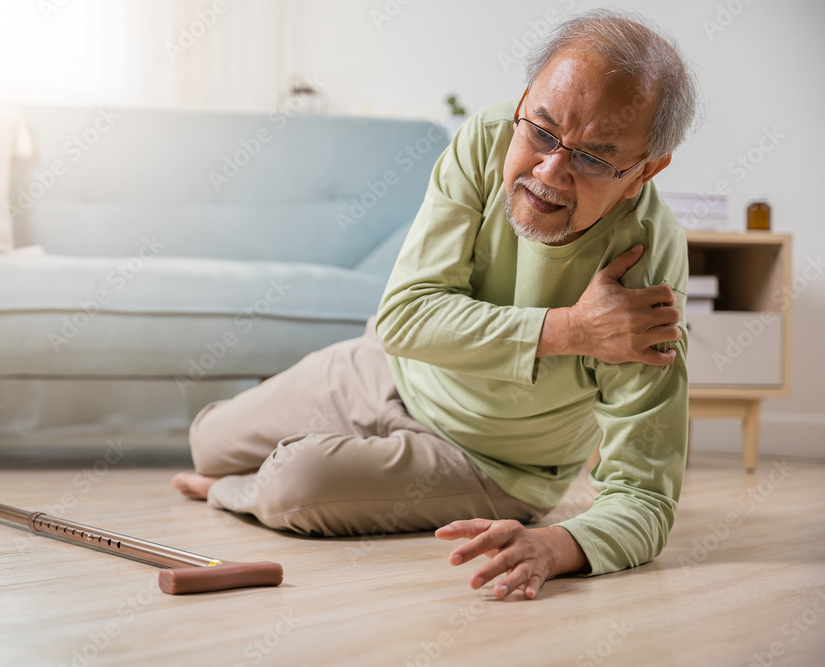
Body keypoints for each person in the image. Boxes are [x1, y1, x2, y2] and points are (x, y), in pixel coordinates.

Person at [172, 8, 699, 600]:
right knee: (208, 442)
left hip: (492, 463)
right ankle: (237, 475)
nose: (549, 171)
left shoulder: (645, 274)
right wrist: (568, 329)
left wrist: (557, 545)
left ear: (644, 173)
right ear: (525, 98)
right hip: (389, 368)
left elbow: (645, 497)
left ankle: (229, 490)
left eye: (594, 157)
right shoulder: (487, 138)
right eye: (543, 131)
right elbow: (404, 318)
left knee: (296, 482)